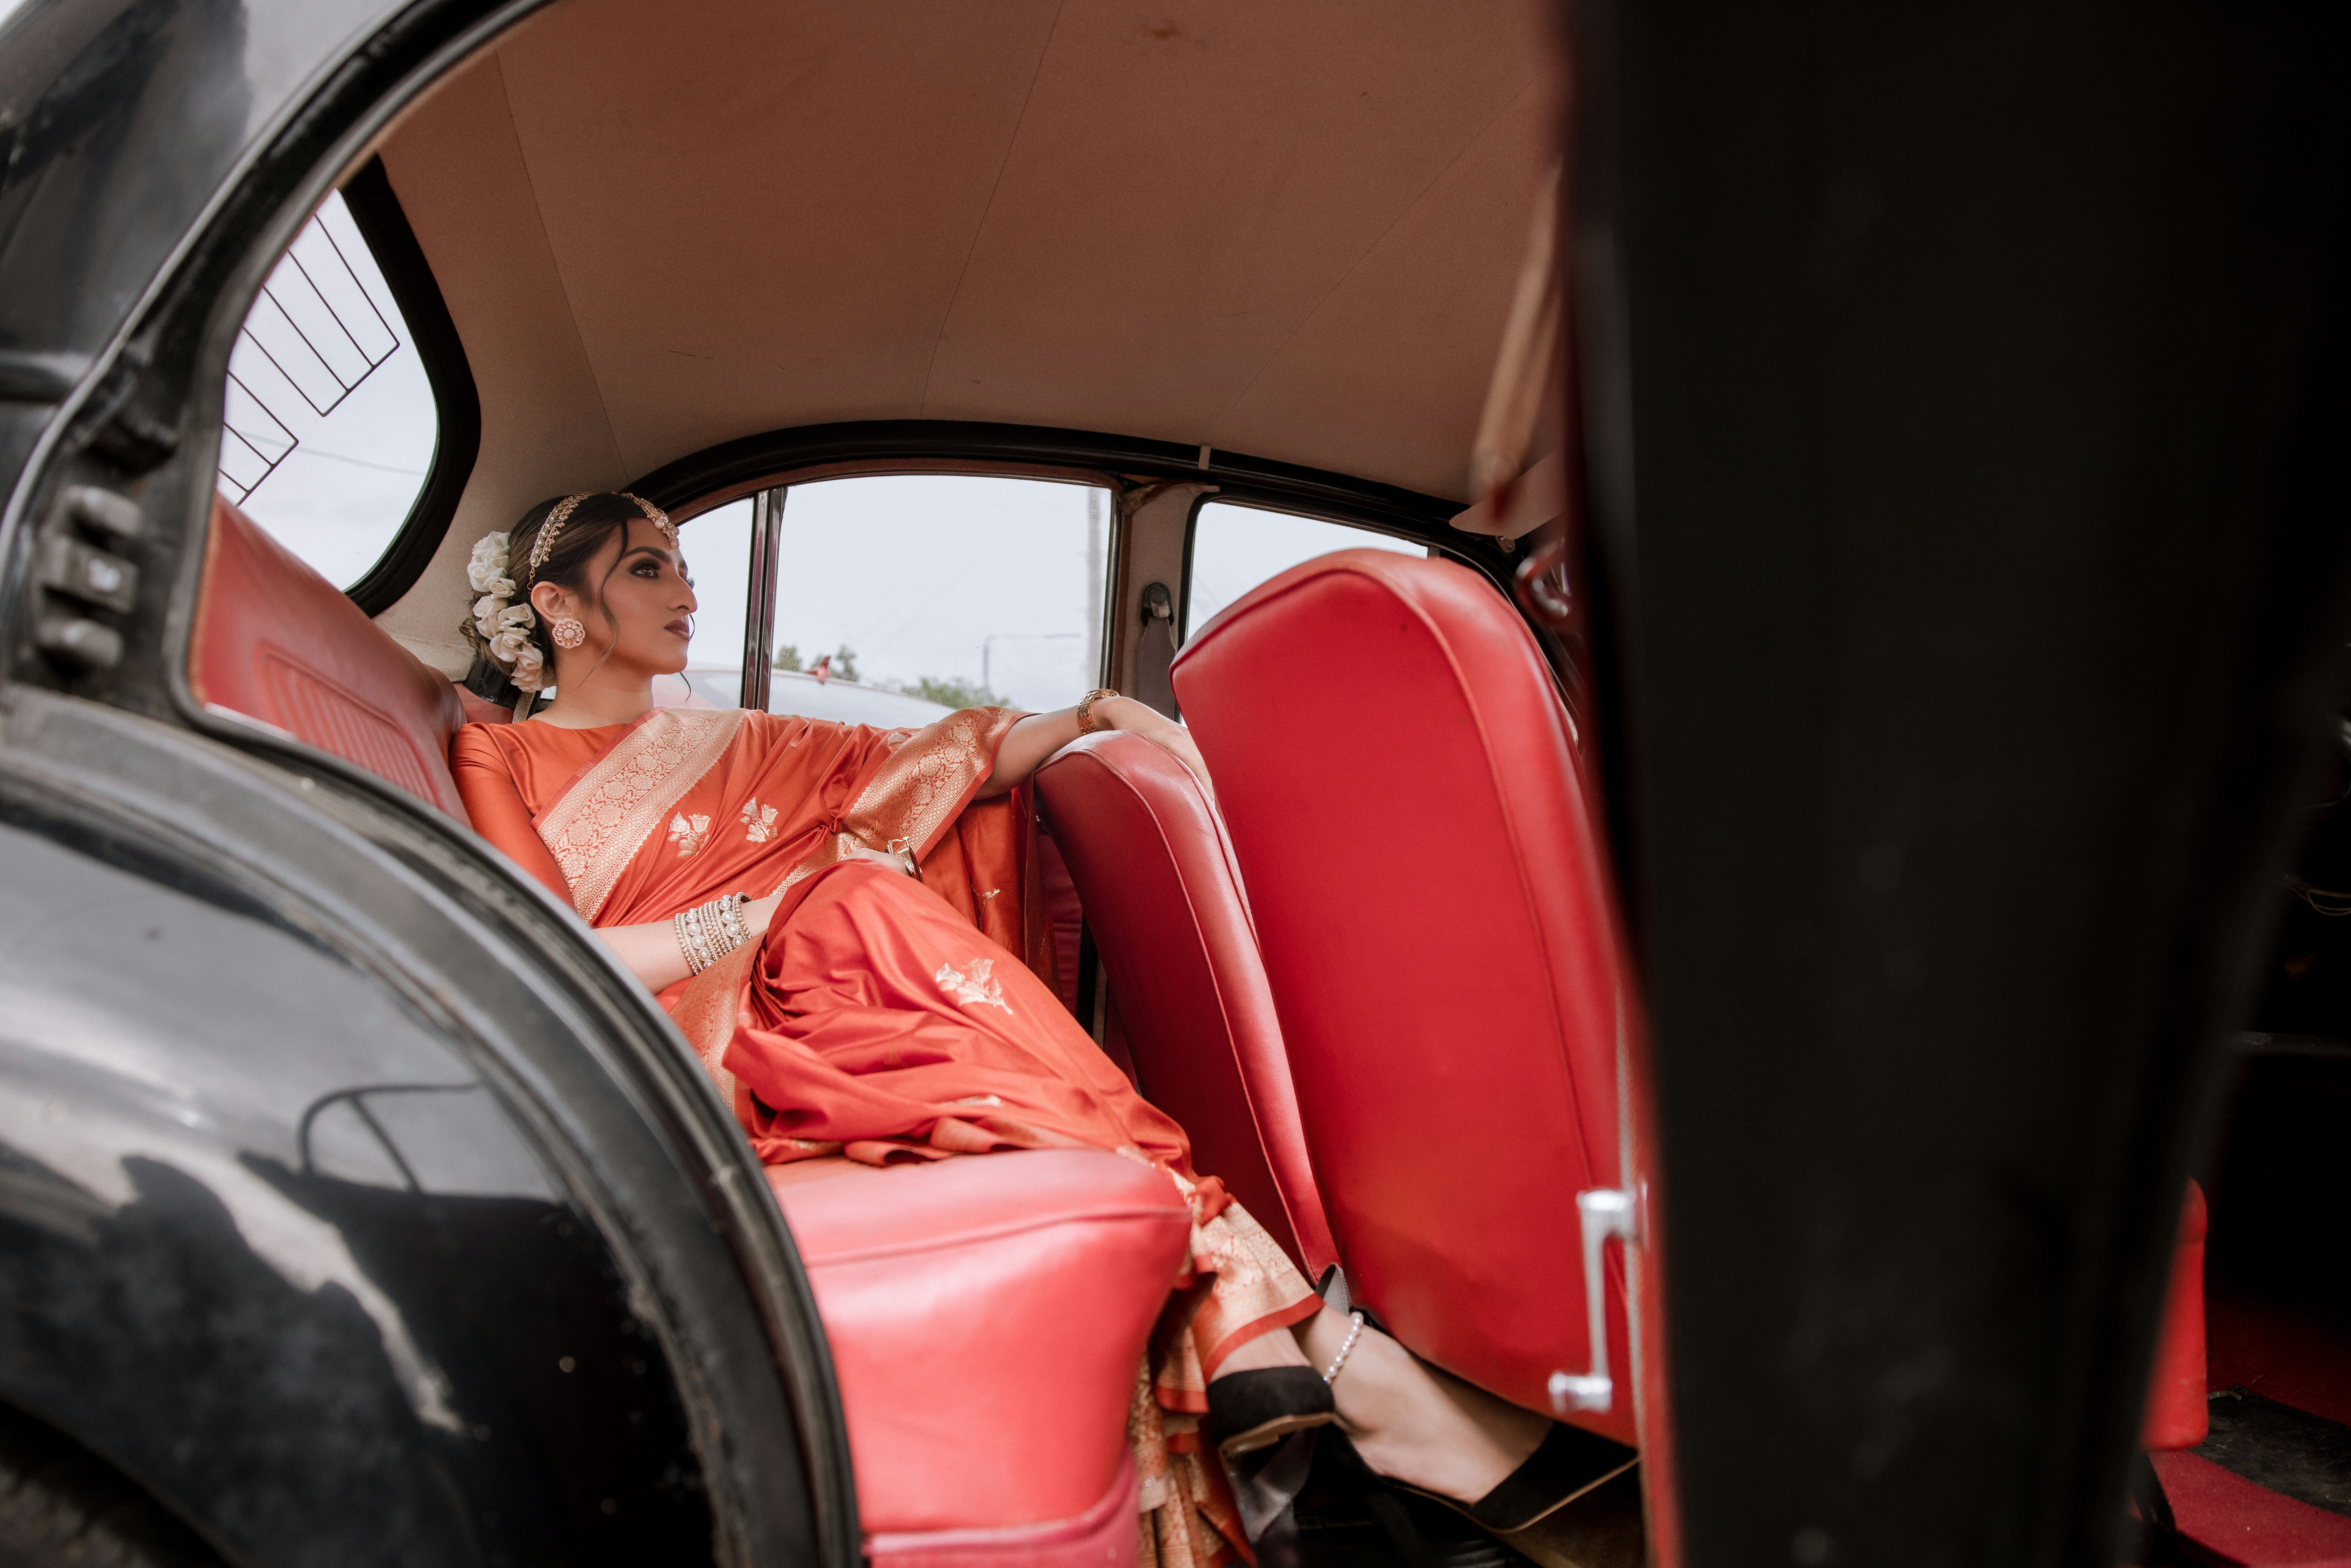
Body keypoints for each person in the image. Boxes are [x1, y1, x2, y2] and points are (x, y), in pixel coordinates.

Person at [448, 492, 1628, 1568]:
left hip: (795, 989)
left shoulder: (749, 741)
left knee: (868, 900)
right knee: (853, 899)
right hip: (649, 1036)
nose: (687, 592)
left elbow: (930, 760)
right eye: (650, 569)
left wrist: (1098, 713)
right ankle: (1319, 1349)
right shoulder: (497, 750)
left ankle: (1272, 1323)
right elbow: (553, 953)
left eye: (684, 567)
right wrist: (759, 916)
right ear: (556, 606)